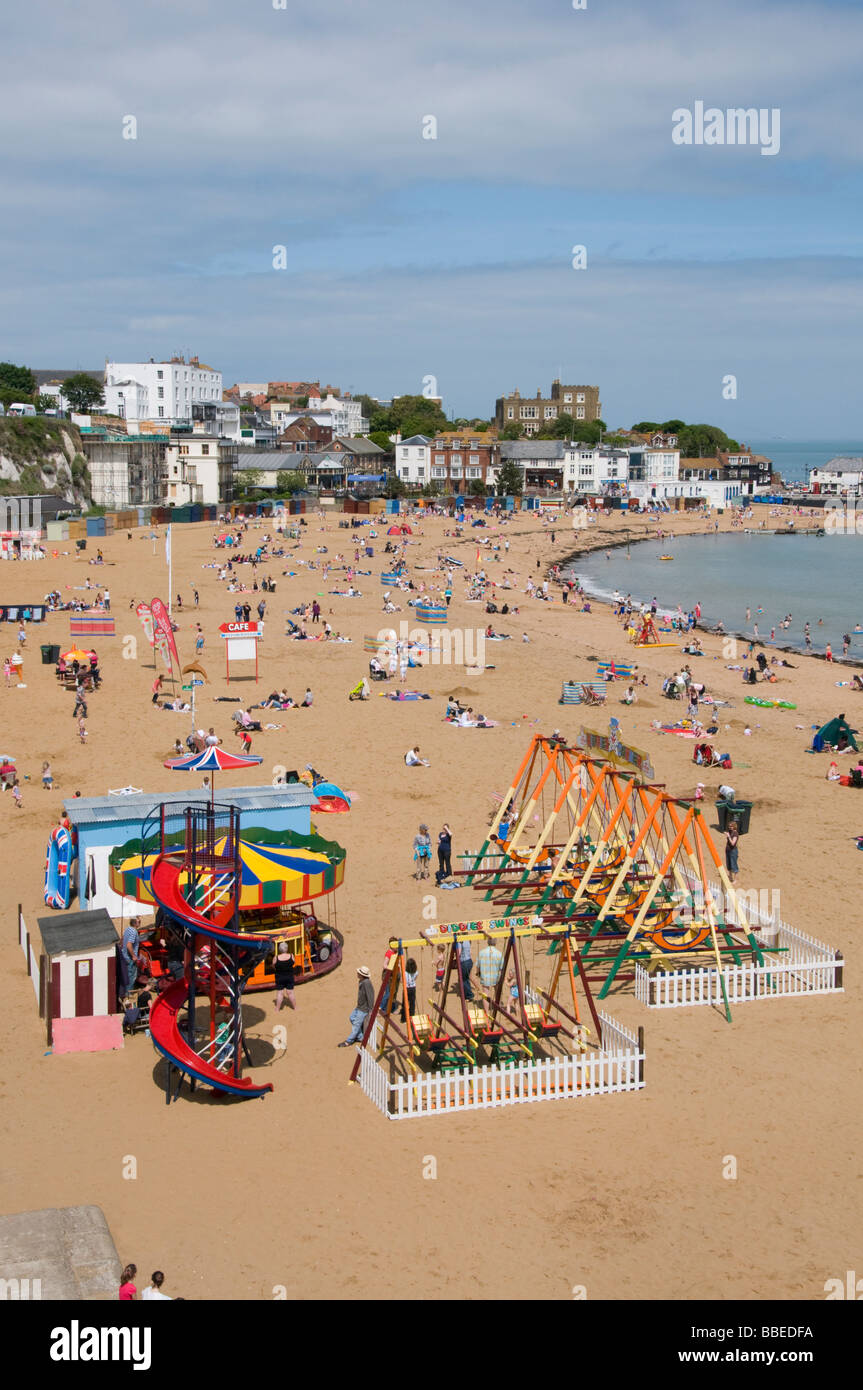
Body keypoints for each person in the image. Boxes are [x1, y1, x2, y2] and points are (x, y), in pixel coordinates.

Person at [338, 966, 375, 1046]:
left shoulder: (366, 983)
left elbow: (370, 996)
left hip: (363, 1009)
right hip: (359, 1007)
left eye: (359, 973)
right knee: (352, 1018)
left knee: (356, 1025)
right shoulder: (362, 981)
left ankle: (349, 1041)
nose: (357, 973)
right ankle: (360, 1037)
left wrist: (371, 1010)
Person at [121, 917, 143, 992]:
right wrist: (134, 956)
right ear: (135, 923)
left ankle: (124, 992)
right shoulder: (134, 932)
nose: (140, 923)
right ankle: (128, 993)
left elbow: (122, 939)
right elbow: (129, 944)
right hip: (129, 958)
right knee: (131, 976)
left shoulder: (128, 929)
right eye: (139, 921)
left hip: (124, 956)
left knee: (125, 974)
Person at [273, 942, 296, 1012]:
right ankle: (295, 1007)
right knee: (290, 992)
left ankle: (277, 1009)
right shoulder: (292, 956)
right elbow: (293, 963)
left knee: (280, 993)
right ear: (287, 948)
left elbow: (274, 966)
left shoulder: (276, 958)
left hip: (279, 977)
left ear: (280, 949)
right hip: (289, 976)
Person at [457, 936, 474, 1001]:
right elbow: (470, 952)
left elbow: (459, 952)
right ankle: (468, 993)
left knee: (464, 979)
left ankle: (469, 995)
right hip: (469, 961)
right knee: (467, 978)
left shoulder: (460, 942)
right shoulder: (467, 940)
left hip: (464, 962)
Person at [725, 819, 740, 883]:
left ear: (734, 826)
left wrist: (728, 836)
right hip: (728, 850)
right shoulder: (730, 831)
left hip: (733, 851)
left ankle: (735, 879)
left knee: (734, 865)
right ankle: (730, 876)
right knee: (729, 864)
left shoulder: (735, 833)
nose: (729, 827)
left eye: (731, 826)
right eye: (729, 826)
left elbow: (733, 843)